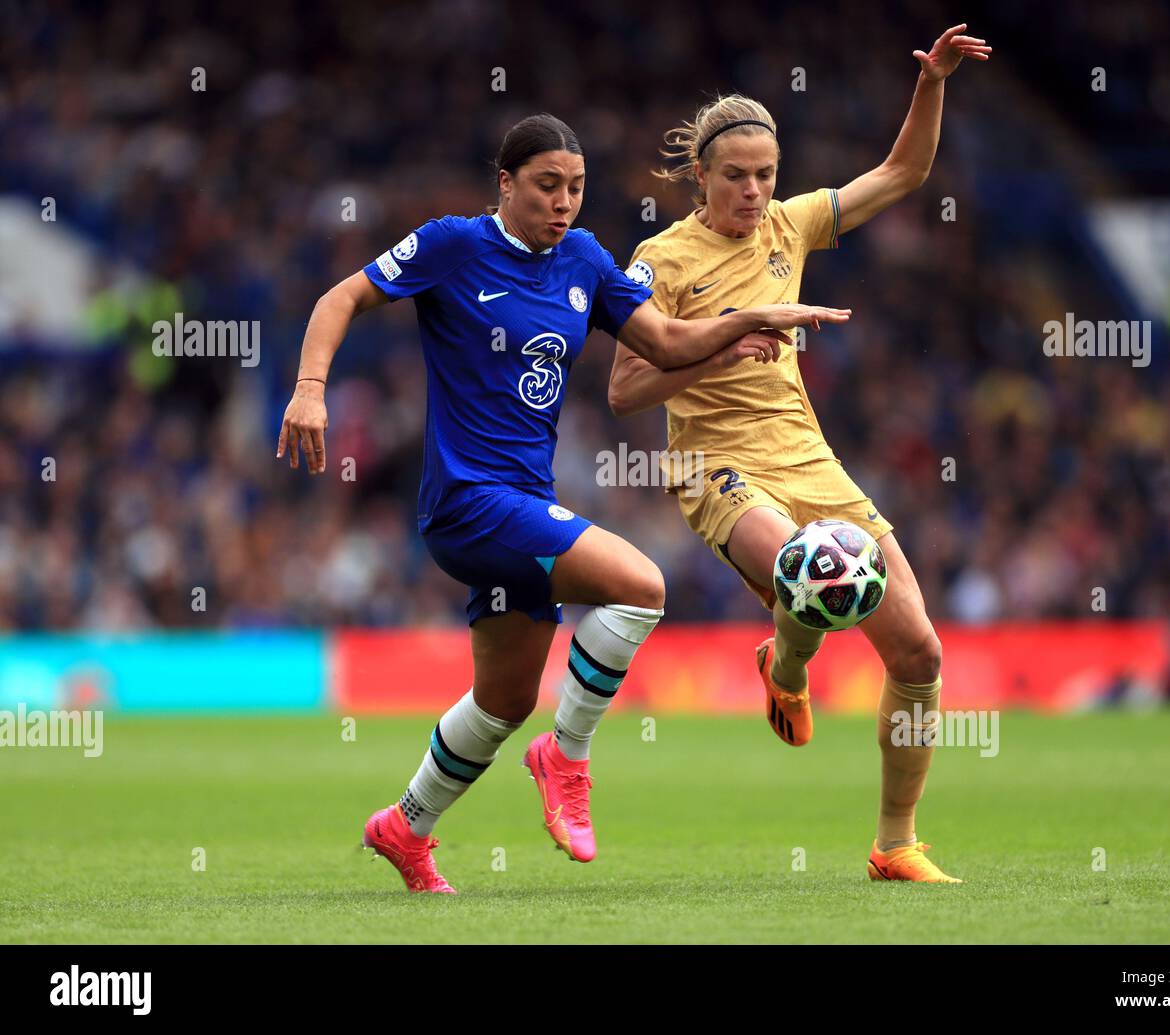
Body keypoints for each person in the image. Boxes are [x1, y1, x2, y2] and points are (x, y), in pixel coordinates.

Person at [276, 113, 850, 892]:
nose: (565, 202)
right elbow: (340, 298)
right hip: (467, 502)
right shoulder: (453, 244)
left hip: (523, 503)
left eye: (576, 187)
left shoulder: (583, 257)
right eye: (547, 185)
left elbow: (666, 342)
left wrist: (744, 320)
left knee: (503, 698)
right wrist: (311, 389)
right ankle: (566, 757)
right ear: (505, 184)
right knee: (643, 586)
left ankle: (406, 826)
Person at [608, 25, 991, 883]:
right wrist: (722, 347)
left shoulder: (792, 226)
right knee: (804, 564)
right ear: (700, 176)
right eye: (735, 175)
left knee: (922, 653)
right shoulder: (657, 260)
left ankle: (895, 843)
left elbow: (902, 174)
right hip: (715, 462)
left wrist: (931, 83)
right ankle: (787, 662)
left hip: (809, 457)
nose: (752, 191)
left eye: (765, 175)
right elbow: (626, 388)